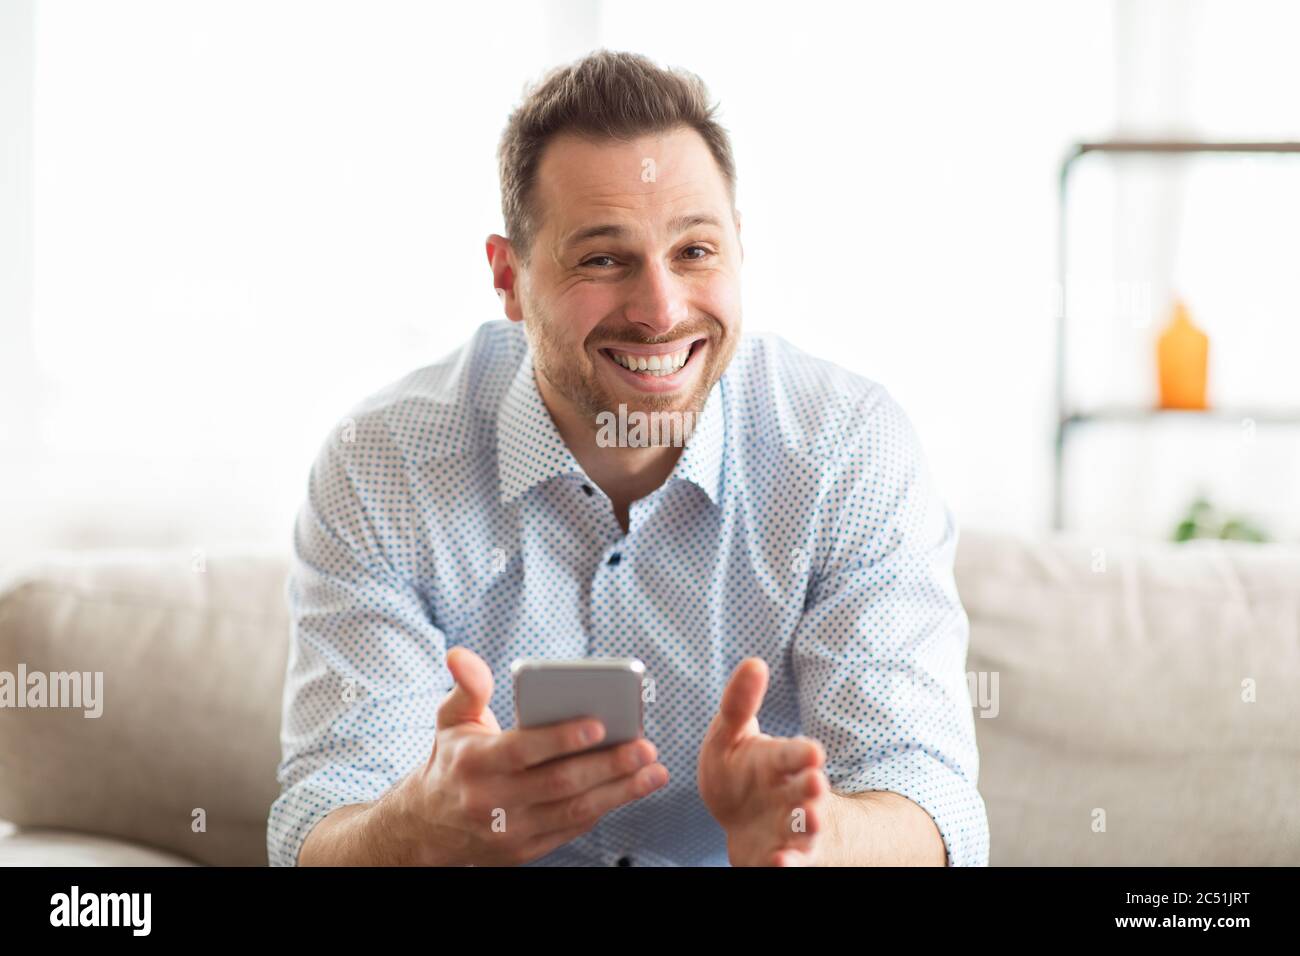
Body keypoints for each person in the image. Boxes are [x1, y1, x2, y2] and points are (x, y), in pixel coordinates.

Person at [268, 49, 988, 867]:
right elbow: (319, 822)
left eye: (695, 252)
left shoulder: (845, 450)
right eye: (603, 259)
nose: (660, 310)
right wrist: (415, 831)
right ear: (509, 277)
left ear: (740, 250)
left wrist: (816, 841)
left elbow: (933, 805)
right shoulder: (385, 467)